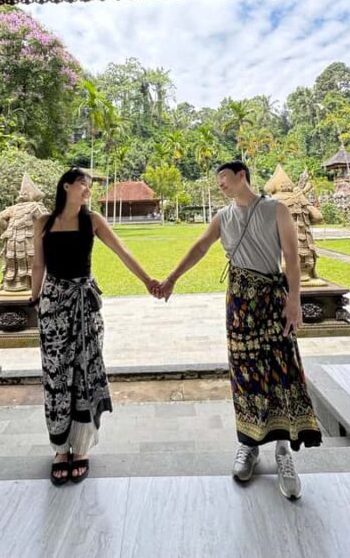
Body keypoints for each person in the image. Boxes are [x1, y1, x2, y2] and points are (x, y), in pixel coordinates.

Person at [156, 160, 321, 499]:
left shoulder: (276, 210)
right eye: (218, 181)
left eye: (224, 179)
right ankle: (248, 445)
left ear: (241, 176)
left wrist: (294, 300)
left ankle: (283, 452)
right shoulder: (223, 217)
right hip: (240, 303)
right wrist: (172, 278)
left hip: (273, 301)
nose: (221, 186)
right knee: (245, 372)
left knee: (280, 370)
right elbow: (200, 247)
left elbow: (291, 256)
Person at [30, 167, 159, 486]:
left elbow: (122, 252)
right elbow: (38, 264)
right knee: (57, 376)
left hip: (85, 305)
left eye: (89, 186)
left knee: (86, 373)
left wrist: (148, 281)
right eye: (83, 185)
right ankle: (60, 449)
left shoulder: (94, 221)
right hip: (53, 306)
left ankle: (82, 449)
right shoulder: (43, 223)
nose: (88, 190)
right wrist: (34, 299)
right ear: (66, 187)